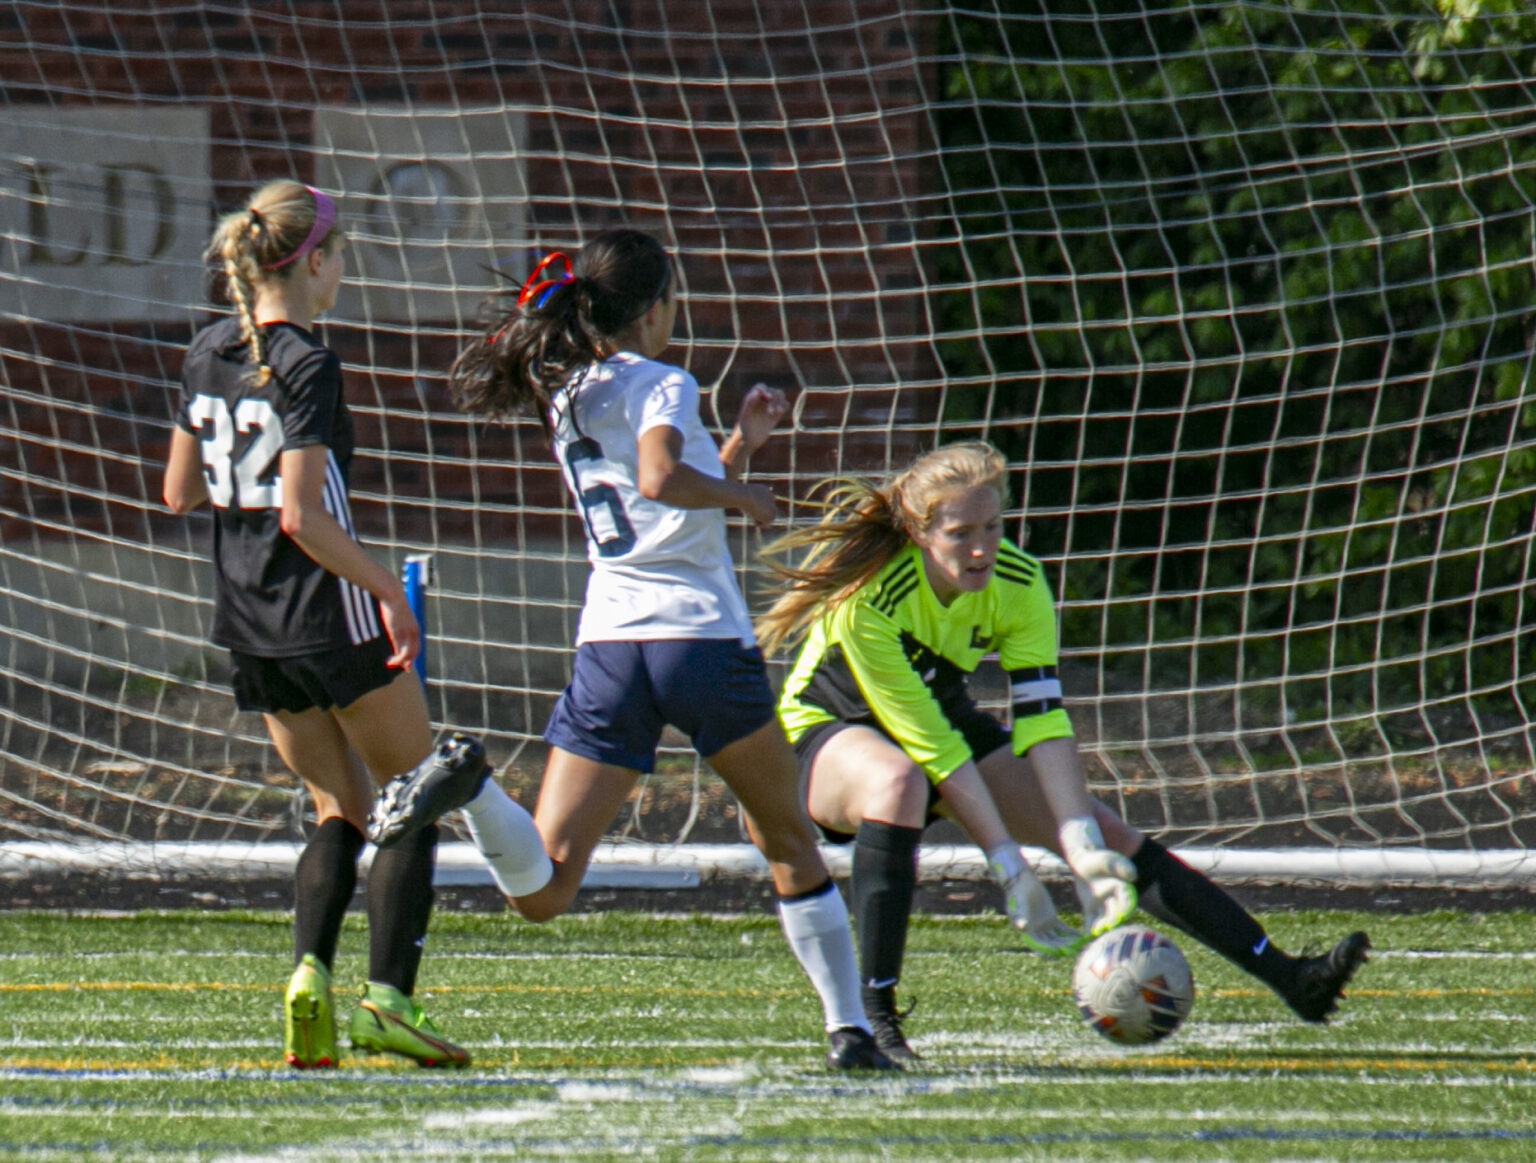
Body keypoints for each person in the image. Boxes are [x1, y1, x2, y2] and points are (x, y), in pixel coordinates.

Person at [376, 228, 895, 1070]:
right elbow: (661, 481)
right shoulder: (665, 379)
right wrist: (747, 494)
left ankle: (471, 785)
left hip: (613, 646)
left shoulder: (572, 391)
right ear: (655, 309)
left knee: (545, 887)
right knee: (789, 842)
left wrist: (739, 445)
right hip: (697, 642)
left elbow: (654, 497)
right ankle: (849, 1031)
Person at [755, 440, 1371, 1063]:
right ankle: (874, 1020)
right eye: (960, 532)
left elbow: (1043, 719)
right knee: (899, 783)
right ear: (918, 532)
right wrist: (1009, 865)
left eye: (992, 527)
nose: (981, 548)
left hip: (936, 721)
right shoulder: (870, 602)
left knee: (1106, 836)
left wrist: (1076, 841)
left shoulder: (1018, 580)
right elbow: (934, 752)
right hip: (827, 730)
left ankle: (1294, 980)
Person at [162, 178, 547, 1070]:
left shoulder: (207, 350)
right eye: (342, 258)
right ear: (316, 261)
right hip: (325, 609)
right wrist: (387, 588)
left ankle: (308, 977)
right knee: (416, 790)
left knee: (338, 806)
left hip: (248, 620)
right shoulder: (307, 362)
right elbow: (303, 515)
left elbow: (179, 490)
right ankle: (387, 1003)